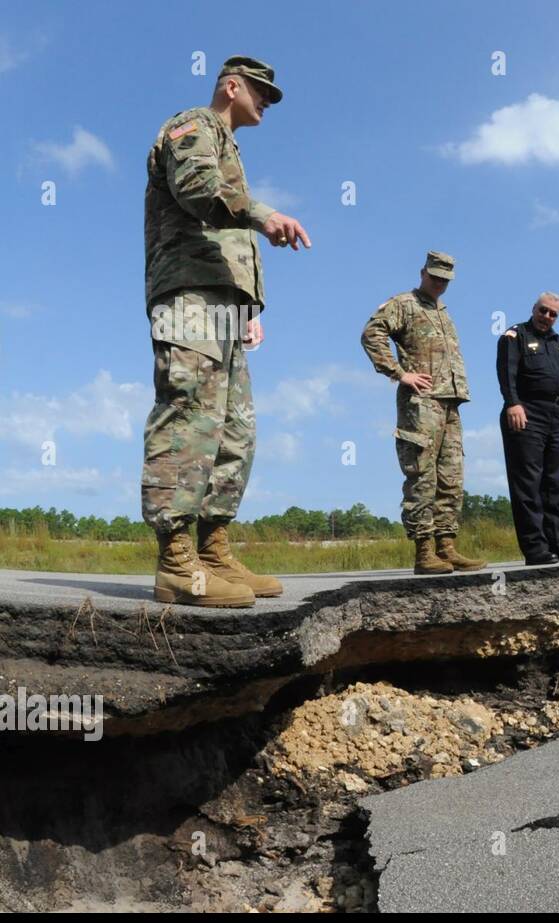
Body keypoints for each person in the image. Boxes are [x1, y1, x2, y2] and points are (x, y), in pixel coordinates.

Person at [141, 55, 311, 607]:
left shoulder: (230, 145)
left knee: (235, 429)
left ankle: (214, 549)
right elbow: (195, 188)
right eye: (260, 92)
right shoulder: (193, 125)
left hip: (224, 309)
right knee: (189, 415)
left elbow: (229, 243)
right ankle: (175, 559)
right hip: (188, 295)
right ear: (231, 86)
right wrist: (263, 214)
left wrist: (248, 308)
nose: (265, 102)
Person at [361, 251, 486, 574]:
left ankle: (446, 546)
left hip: (450, 402)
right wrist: (399, 373)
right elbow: (371, 333)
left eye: (445, 279)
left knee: (451, 478)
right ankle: (424, 551)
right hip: (422, 404)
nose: (440, 283)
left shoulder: (443, 311)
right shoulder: (404, 304)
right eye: (435, 277)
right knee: (422, 475)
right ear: (423, 273)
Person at [497, 293, 559, 565]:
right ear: (533, 309)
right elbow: (507, 371)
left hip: (554, 418)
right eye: (543, 311)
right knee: (528, 485)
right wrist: (513, 403)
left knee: (555, 484)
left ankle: (558, 542)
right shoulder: (514, 336)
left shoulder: (558, 342)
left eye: (553, 314)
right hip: (524, 415)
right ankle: (535, 549)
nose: (547, 317)